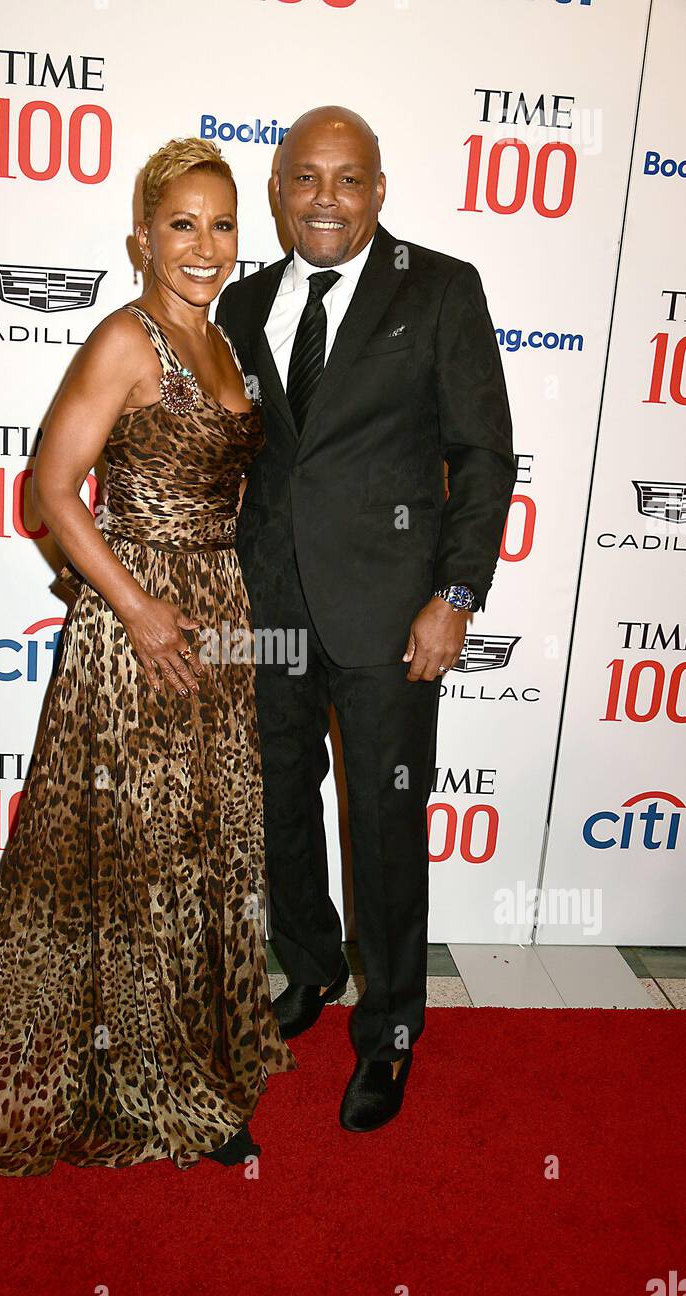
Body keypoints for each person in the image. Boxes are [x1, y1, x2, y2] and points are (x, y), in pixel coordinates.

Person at [0, 136, 295, 1176]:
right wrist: (132, 605)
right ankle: (157, 1082)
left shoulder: (223, 344)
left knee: (199, 850)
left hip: (215, 617)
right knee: (143, 861)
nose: (204, 245)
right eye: (181, 225)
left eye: (220, 225)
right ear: (139, 239)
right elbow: (46, 489)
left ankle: (200, 1048)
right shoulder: (126, 340)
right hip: (141, 633)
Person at [215, 105, 516, 1133]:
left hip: (394, 612)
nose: (325, 200)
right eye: (305, 178)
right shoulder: (243, 302)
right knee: (275, 804)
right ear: (278, 188)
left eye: (347, 180)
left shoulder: (439, 288)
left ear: (377, 190)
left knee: (383, 822)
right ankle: (307, 967)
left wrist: (456, 594)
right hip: (265, 603)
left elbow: (481, 456)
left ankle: (388, 1029)